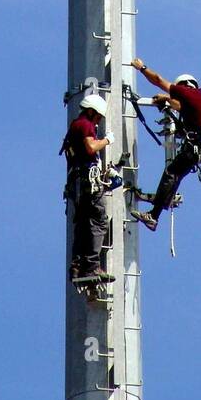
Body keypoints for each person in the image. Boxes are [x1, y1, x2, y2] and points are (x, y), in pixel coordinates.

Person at [128, 58, 201, 231]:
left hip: (197, 146)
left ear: (183, 86)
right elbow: (183, 108)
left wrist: (141, 67)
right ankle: (161, 201)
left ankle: (153, 216)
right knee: (176, 174)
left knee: (171, 173)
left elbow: (158, 80)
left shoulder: (186, 92)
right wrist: (166, 100)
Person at [63, 92, 115, 283]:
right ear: (91, 112)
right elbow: (91, 147)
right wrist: (107, 140)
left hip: (77, 181)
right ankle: (92, 266)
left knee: (83, 224)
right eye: (98, 116)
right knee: (99, 220)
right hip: (87, 180)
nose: (99, 120)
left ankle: (77, 266)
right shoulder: (84, 124)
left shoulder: (74, 126)